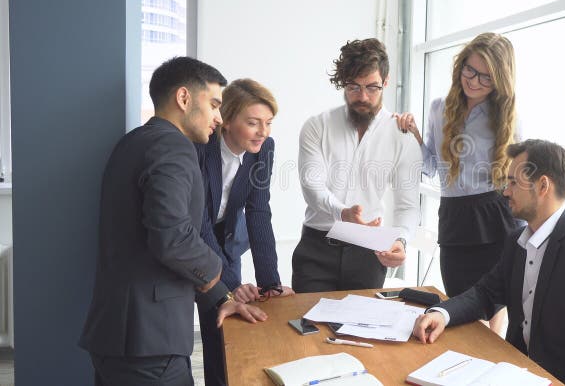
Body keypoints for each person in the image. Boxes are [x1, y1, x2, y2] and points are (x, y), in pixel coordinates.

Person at [79, 57, 267, 386]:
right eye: (213, 104)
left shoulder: (133, 141)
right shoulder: (173, 148)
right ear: (183, 98)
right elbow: (173, 238)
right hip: (149, 343)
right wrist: (219, 272)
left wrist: (221, 297)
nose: (218, 117)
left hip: (114, 334)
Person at [413, 140, 565, 386]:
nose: (505, 191)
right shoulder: (516, 241)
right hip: (521, 373)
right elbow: (485, 294)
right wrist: (442, 314)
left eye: (512, 182)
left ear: (542, 186)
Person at [394, 32, 521, 334]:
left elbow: (518, 168)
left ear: (500, 81)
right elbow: (429, 165)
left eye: (486, 78)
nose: (474, 81)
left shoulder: (505, 115)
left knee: (495, 309)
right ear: (460, 66)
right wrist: (411, 133)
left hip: (496, 216)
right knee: (460, 306)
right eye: (470, 70)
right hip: (455, 216)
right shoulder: (440, 107)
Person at [292, 38, 422, 292]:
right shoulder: (316, 126)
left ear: (386, 81)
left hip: (369, 253)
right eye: (353, 87)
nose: (363, 96)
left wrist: (402, 241)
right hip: (317, 248)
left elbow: (408, 206)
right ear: (343, 83)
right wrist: (342, 213)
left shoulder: (402, 135)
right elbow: (312, 187)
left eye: (372, 87)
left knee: (362, 331)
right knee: (306, 329)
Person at [194, 78, 294, 386]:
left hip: (227, 240)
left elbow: (259, 211)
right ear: (227, 120)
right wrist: (232, 286)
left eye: (268, 123)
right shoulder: (200, 146)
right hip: (195, 239)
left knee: (232, 330)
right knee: (217, 318)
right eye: (253, 123)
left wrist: (270, 284)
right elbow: (200, 222)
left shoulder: (264, 148)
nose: (263, 132)